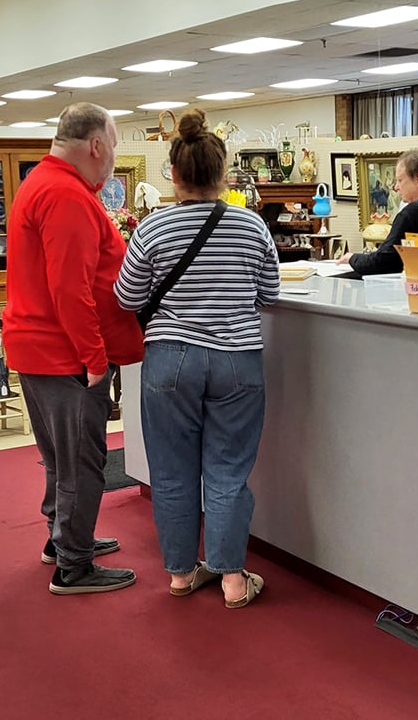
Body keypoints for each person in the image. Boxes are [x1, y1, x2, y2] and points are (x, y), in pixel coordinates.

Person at [114, 109, 280, 608]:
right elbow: (268, 295)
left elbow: (126, 298)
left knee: (171, 471)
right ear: (223, 173)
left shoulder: (153, 228)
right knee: (228, 470)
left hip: (169, 360)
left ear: (176, 173)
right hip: (236, 360)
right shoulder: (251, 226)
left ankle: (182, 574)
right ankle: (232, 579)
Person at [2, 102, 145, 595]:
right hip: (63, 353)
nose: (111, 161)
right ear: (97, 145)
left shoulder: (43, 182)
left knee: (60, 459)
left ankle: (61, 541)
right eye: (114, 147)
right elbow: (71, 289)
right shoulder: (65, 194)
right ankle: (74, 564)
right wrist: (95, 359)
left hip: (37, 347)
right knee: (82, 461)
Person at [336, 148, 418, 276]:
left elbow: (384, 263)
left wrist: (352, 258)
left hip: (417, 293)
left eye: (400, 180)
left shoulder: (410, 214)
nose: (396, 186)